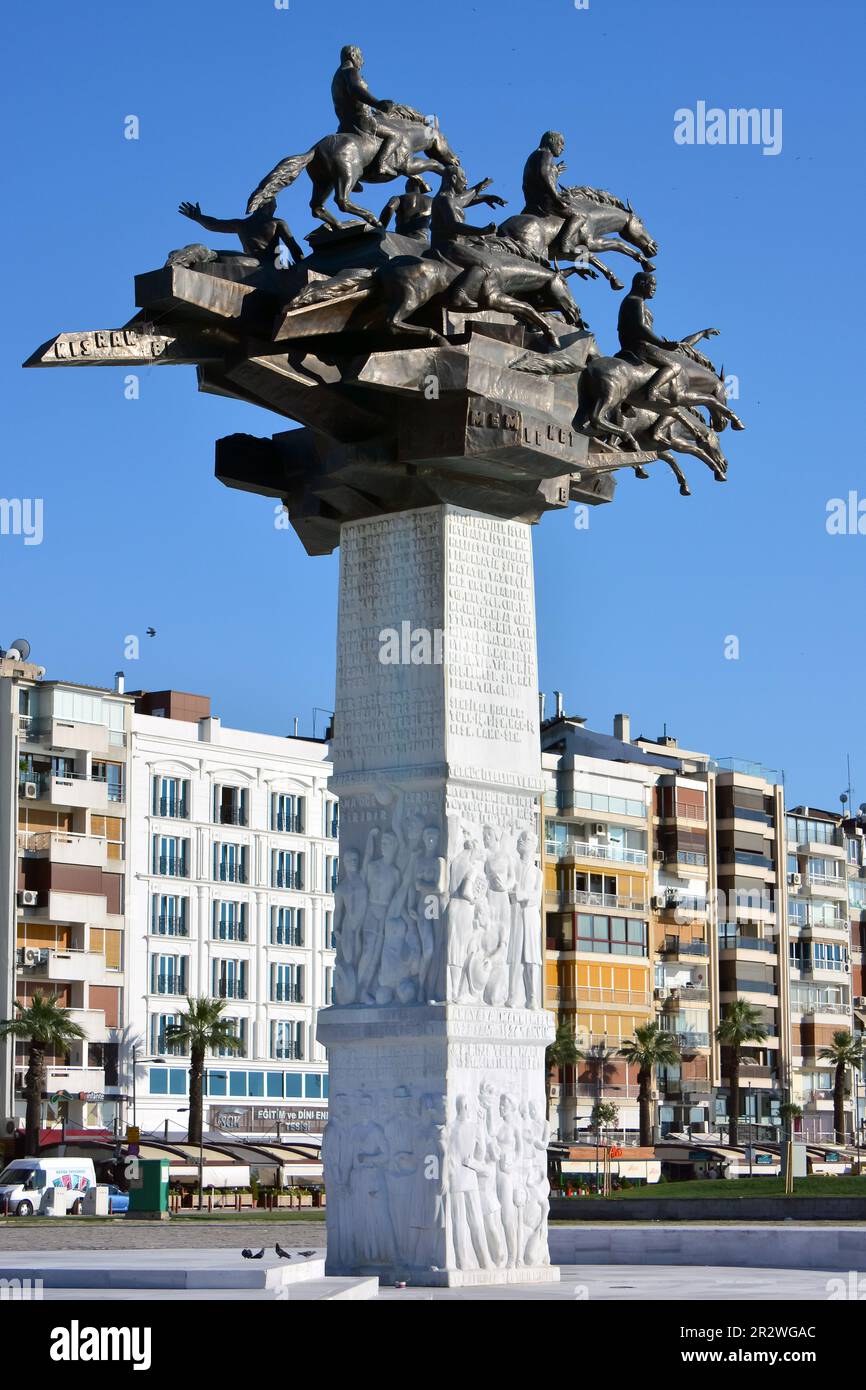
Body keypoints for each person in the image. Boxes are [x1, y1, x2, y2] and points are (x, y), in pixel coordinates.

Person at [177, 197, 304, 263]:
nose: (275, 207)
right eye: (274, 205)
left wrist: (198, 217)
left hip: (247, 259)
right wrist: (303, 267)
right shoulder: (276, 223)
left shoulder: (241, 224)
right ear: (268, 206)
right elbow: (293, 247)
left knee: (214, 254)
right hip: (269, 265)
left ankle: (192, 254)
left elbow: (214, 224)